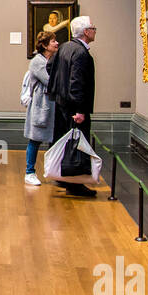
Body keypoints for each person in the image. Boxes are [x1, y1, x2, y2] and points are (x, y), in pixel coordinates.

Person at [47, 15, 97, 196]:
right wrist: (79, 110)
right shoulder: (81, 53)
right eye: (93, 27)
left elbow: (50, 67)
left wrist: (60, 89)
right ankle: (75, 183)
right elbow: (77, 83)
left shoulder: (65, 47)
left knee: (63, 141)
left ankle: (62, 177)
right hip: (73, 108)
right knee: (75, 145)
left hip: (61, 105)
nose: (94, 30)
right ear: (86, 32)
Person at [23, 31, 59, 185]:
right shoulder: (38, 61)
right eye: (53, 41)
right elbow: (50, 81)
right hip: (41, 104)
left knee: (54, 140)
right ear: (44, 45)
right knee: (35, 139)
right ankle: (29, 172)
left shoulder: (51, 60)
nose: (56, 43)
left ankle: (53, 171)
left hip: (51, 104)